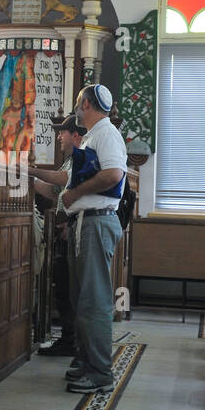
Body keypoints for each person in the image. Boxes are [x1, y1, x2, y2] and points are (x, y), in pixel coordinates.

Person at [61, 83, 127, 392]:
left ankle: (100, 374)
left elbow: (113, 175)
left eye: (78, 102)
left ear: (86, 104)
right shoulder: (92, 135)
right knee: (82, 300)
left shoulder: (105, 133)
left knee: (95, 301)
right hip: (86, 223)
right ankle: (88, 364)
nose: (76, 107)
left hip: (97, 223)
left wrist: (74, 193)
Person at [30, 115, 85, 357]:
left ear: (75, 135)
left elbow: (65, 188)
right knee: (64, 287)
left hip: (70, 228)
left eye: (62, 132)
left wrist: (30, 172)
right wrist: (30, 181)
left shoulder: (81, 159)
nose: (58, 137)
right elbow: (55, 191)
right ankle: (69, 338)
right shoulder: (70, 160)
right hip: (65, 227)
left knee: (71, 289)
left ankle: (74, 342)